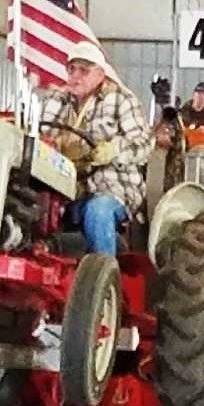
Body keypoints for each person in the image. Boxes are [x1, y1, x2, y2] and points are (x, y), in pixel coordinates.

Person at [40, 42, 153, 256]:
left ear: (101, 74)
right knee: (34, 208)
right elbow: (41, 134)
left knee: (98, 211)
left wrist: (115, 150)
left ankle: (103, 277)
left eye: (84, 70)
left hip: (111, 185)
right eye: (72, 69)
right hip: (63, 187)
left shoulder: (121, 99)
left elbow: (145, 143)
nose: (76, 76)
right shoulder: (57, 99)